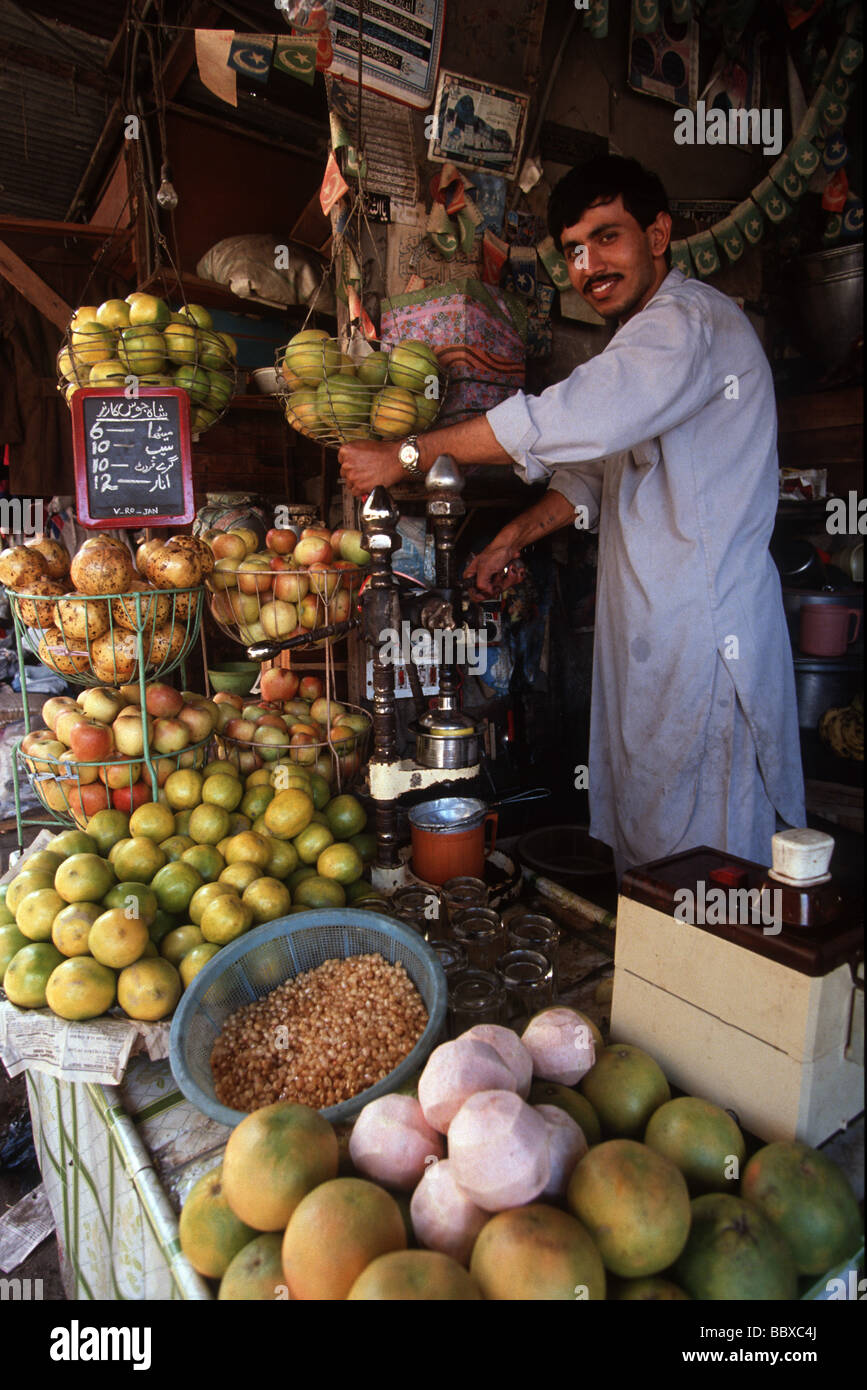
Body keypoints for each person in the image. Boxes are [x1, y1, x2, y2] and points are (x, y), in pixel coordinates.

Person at [338, 155, 806, 877]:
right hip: (655, 631)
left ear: (657, 234)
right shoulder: (643, 343)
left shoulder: (685, 325)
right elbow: (591, 472)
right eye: (575, 252)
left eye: (606, 238)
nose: (590, 265)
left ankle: (705, 983)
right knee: (654, 835)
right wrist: (507, 539)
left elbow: (566, 418)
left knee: (708, 854)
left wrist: (405, 453)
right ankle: (660, 975)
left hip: (707, 637)